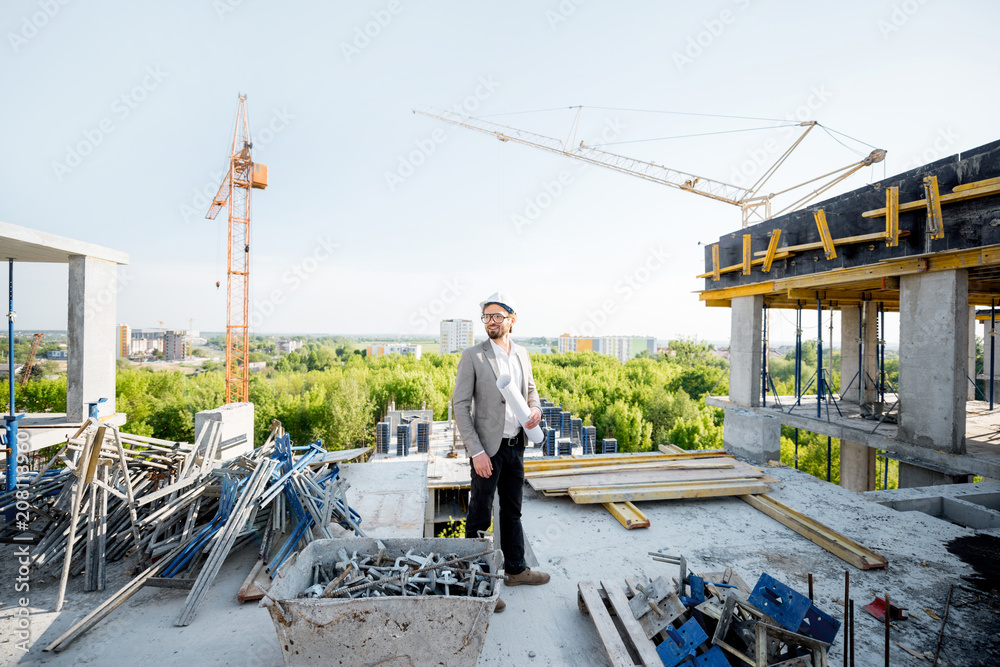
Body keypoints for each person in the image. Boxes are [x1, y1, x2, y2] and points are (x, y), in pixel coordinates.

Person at [453, 292, 550, 613]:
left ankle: (516, 570)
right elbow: (460, 406)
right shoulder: (474, 356)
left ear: (512, 319)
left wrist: (535, 410)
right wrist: (476, 451)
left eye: (497, 316)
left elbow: (531, 391)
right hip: (487, 451)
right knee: (479, 515)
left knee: (512, 512)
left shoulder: (522, 353)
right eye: (486, 317)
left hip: (515, 445)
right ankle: (476, 581)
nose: (491, 322)